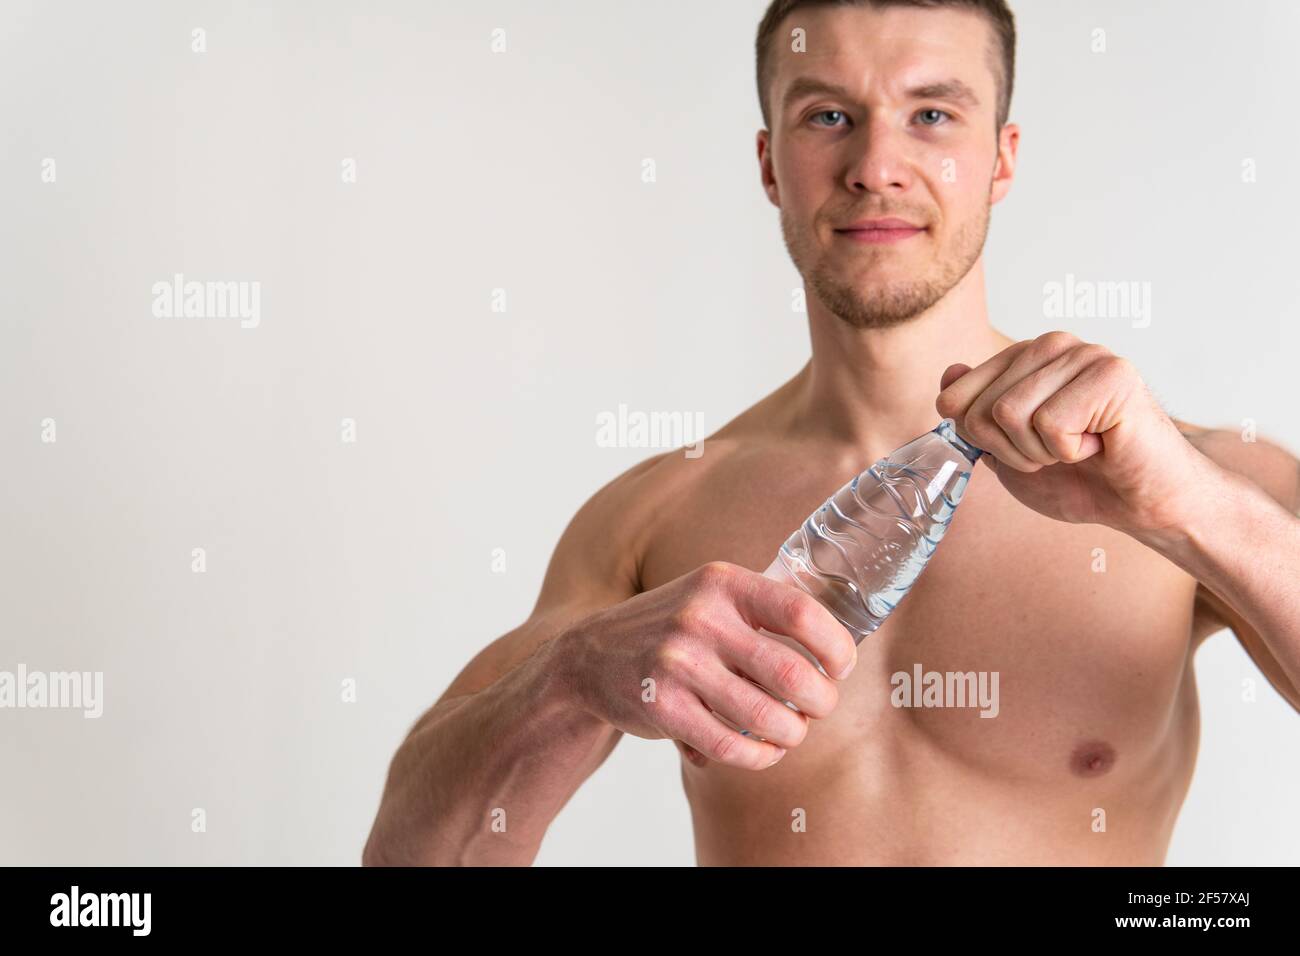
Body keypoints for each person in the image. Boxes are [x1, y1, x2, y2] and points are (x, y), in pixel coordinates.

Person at [363, 0, 1300, 865]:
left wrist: (1191, 511)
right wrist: (568, 680)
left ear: (1002, 158)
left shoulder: (1201, 479)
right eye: (828, 116)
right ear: (770, 162)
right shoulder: (656, 513)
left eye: (932, 115)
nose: (876, 166)